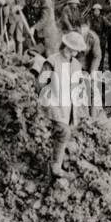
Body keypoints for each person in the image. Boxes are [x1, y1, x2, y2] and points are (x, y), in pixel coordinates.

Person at [42, 30, 88, 180]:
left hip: (69, 108)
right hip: (54, 105)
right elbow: (41, 83)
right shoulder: (52, 61)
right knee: (64, 132)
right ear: (68, 47)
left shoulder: (76, 65)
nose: (77, 52)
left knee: (64, 132)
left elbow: (79, 84)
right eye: (75, 49)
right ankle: (56, 166)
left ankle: (52, 165)